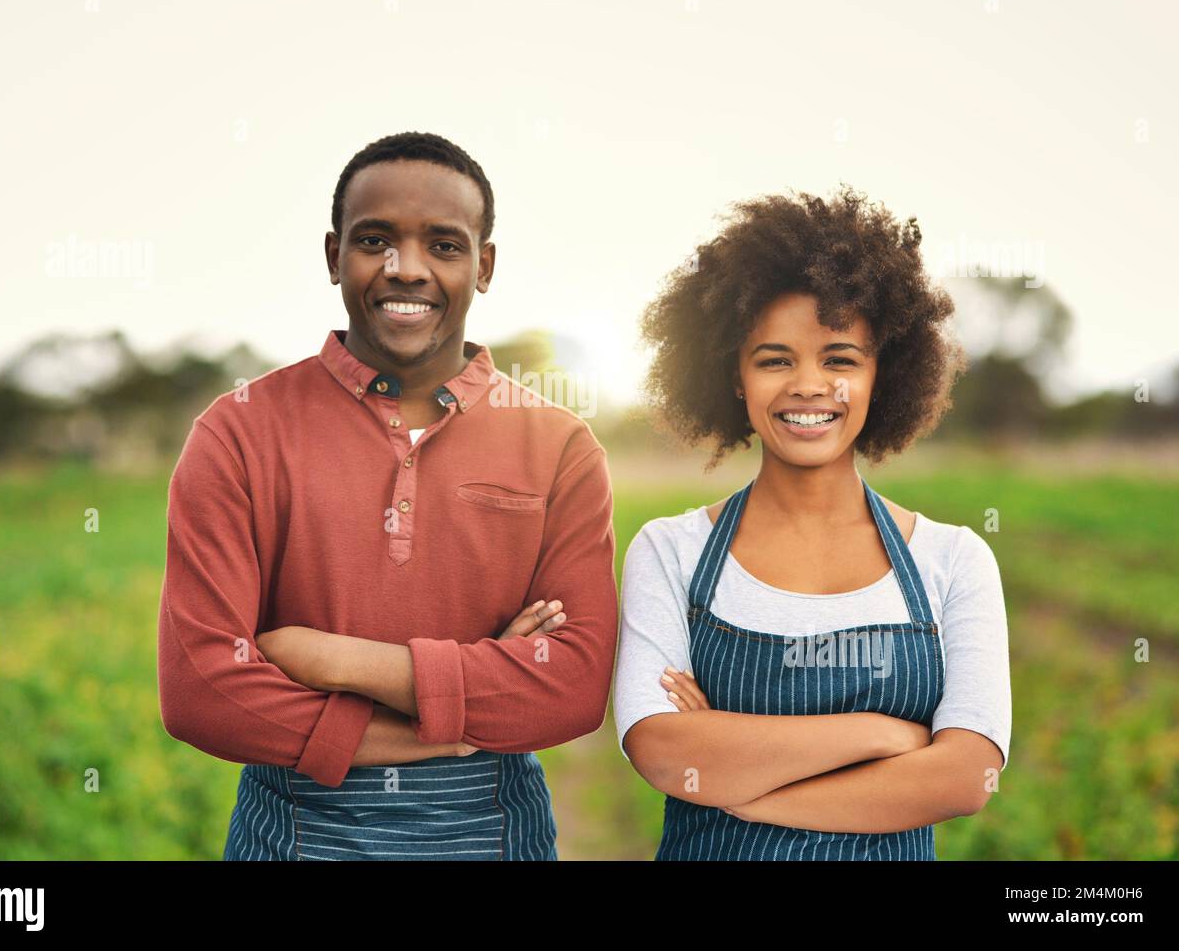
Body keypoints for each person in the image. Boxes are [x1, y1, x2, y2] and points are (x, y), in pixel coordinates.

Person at [157, 131, 618, 860]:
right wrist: (456, 726)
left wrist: (329, 657)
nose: (407, 270)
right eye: (376, 240)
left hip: (493, 834)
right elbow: (204, 695)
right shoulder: (236, 434)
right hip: (296, 834)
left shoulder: (558, 446)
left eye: (443, 244)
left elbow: (573, 688)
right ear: (334, 255)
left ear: (484, 265)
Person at [614, 186, 1011, 860]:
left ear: (881, 374)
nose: (808, 385)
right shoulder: (670, 552)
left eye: (839, 359)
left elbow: (967, 775)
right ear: (734, 376)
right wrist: (881, 734)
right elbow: (661, 749)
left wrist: (742, 789)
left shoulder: (954, 559)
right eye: (774, 360)